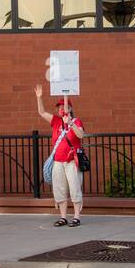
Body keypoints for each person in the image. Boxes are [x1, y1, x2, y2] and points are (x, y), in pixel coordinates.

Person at [35, 85, 86, 227]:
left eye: (63, 107)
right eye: (59, 108)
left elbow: (80, 135)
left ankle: (76, 216)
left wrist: (70, 123)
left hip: (71, 161)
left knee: (74, 188)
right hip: (58, 161)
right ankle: (63, 217)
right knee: (59, 189)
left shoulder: (76, 121)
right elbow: (42, 112)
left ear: (69, 109)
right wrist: (39, 98)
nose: (60, 110)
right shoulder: (56, 121)